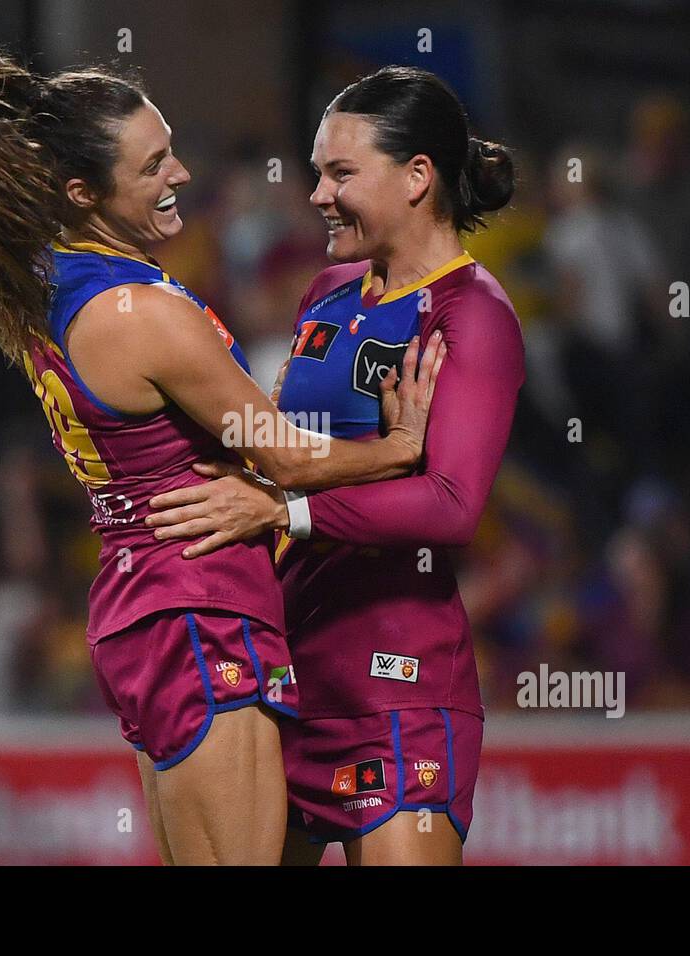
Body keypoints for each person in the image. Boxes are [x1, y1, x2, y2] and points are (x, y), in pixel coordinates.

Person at [0, 52, 445, 865]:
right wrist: (400, 447)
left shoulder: (53, 286)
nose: (179, 171)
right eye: (151, 163)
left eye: (168, 146)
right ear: (81, 193)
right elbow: (285, 459)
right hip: (200, 607)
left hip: (149, 603)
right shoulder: (138, 313)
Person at [147, 66, 525, 864]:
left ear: (418, 176)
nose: (316, 193)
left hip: (400, 689)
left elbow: (452, 505)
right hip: (288, 676)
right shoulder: (325, 291)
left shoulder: (475, 314)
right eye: (318, 171)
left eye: (340, 173)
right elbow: (283, 456)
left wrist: (286, 510)